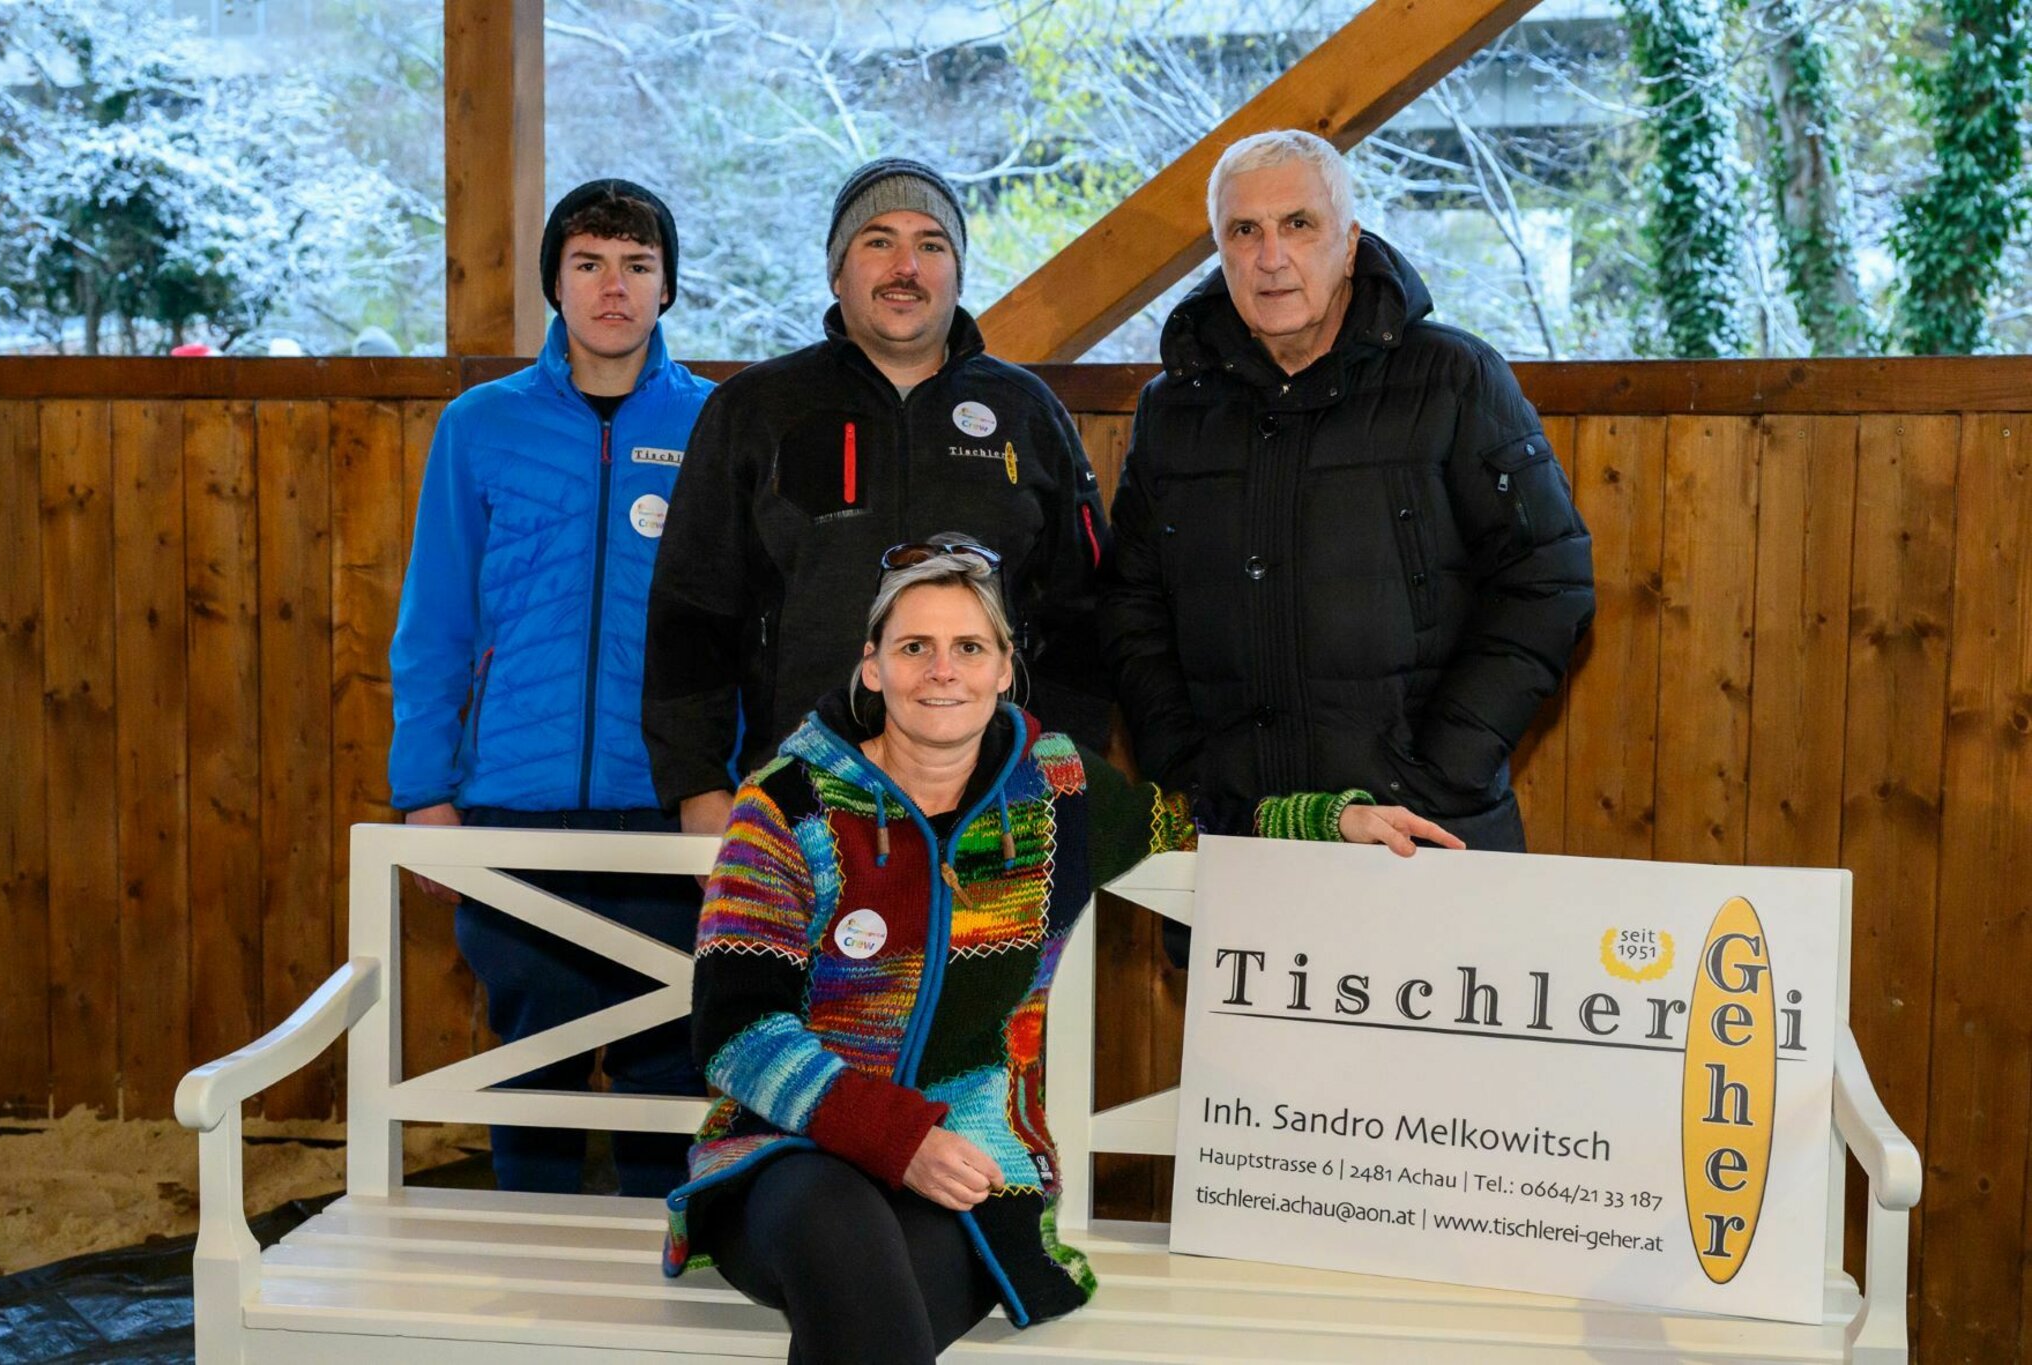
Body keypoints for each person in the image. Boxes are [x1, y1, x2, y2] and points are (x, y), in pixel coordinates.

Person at [660, 537, 1455, 1363]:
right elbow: (737, 1032)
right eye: (915, 646)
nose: (943, 670)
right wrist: (899, 1138)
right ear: (873, 666)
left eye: (970, 647)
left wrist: (1329, 818)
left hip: (974, 1167)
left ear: (1006, 669)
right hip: (792, 1153)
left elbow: (1192, 822)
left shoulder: (1056, 791)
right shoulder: (786, 804)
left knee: (870, 1319)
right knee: (844, 1248)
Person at [1100, 129, 1595, 863]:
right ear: (1220, 250)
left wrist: (1442, 771)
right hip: (1241, 833)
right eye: (1244, 231)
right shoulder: (1173, 409)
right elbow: (1131, 604)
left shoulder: (1453, 379)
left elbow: (1548, 581)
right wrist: (1189, 771)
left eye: (1299, 224)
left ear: (1350, 242)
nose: (1271, 257)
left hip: (1421, 837)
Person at [388, 178, 715, 1195]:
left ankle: (657, 1278)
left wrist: (734, 788)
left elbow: (744, 628)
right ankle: (519, 1277)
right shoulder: (480, 426)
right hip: (511, 811)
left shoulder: (717, 424)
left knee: (670, 1061)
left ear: (667, 286)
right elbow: (436, 619)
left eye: (637, 265)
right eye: (589, 264)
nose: (613, 287)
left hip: (668, 811)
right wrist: (424, 793)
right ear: (554, 284)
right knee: (533, 1060)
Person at [642, 156, 1112, 844]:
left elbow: (1083, 619)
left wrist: (1059, 778)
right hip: (797, 804)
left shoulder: (1027, 412)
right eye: (879, 241)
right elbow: (690, 614)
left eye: (931, 245)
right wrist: (697, 787)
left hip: (996, 816)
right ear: (837, 271)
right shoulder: (755, 410)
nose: (906, 267)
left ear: (958, 274)